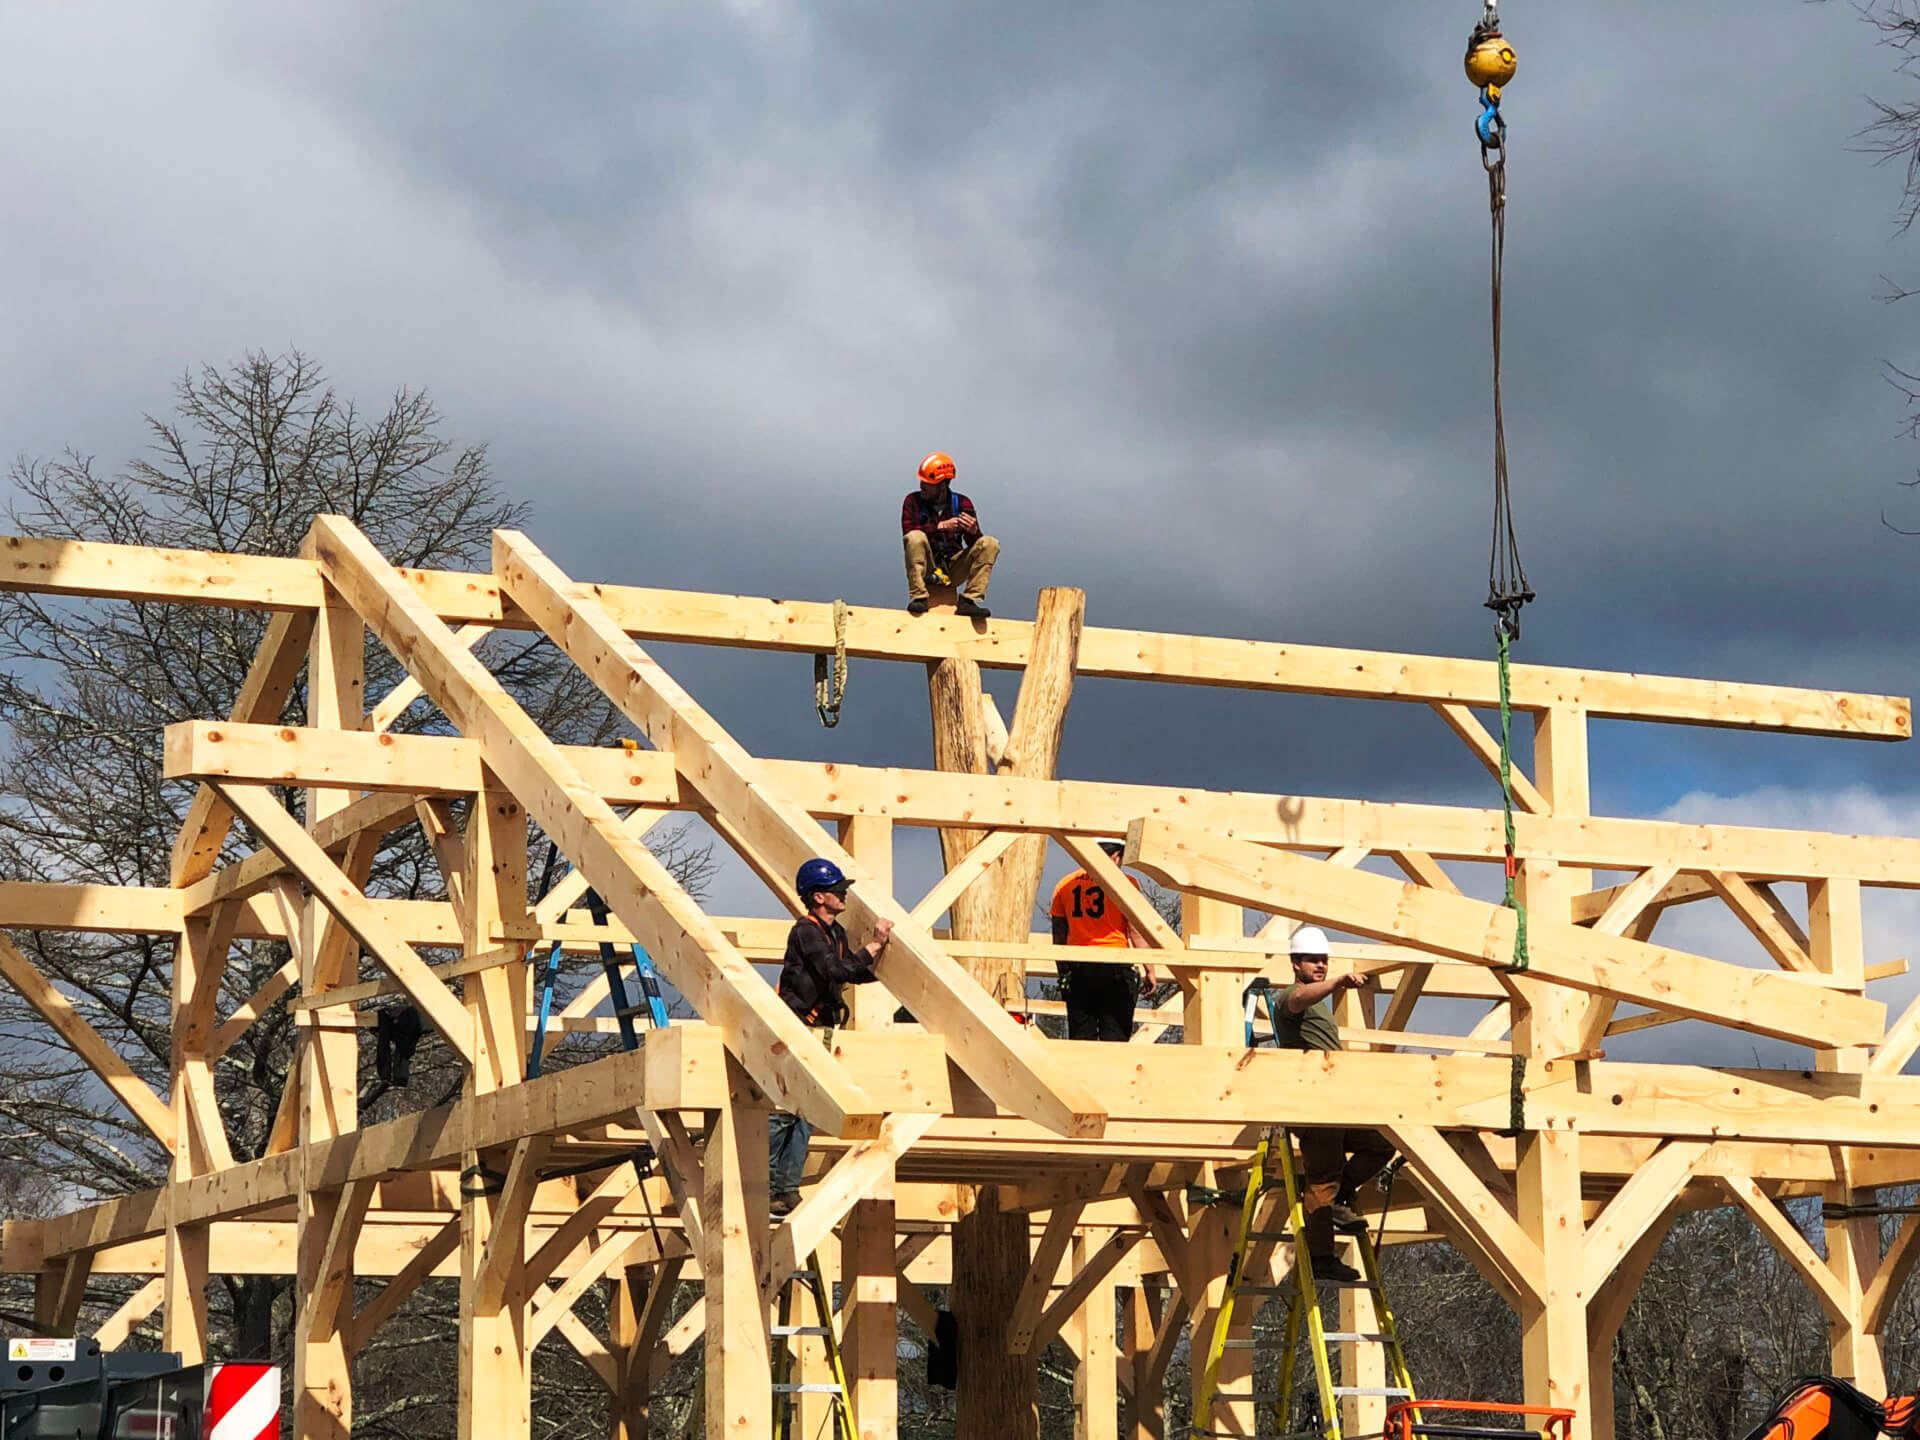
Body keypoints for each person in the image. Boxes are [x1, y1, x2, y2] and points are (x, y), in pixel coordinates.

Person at [768, 858, 892, 1217]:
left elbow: (847, 971)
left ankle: (786, 1191)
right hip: (798, 1025)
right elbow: (836, 970)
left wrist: (886, 971)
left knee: (805, 1112)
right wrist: (874, 946)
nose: (844, 895)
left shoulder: (835, 932)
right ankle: (768, 1185)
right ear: (819, 897)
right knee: (785, 1110)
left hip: (821, 1027)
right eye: (838, 891)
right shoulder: (805, 931)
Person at [1276, 925, 1394, 1283]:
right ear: (1295, 964)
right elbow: (1299, 1000)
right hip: (1312, 1104)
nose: (1320, 966)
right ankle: (1322, 1257)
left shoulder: (1320, 1006)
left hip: (1336, 1102)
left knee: (1382, 1143)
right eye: (1313, 961)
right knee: (1322, 1180)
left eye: (1324, 961)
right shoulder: (1288, 999)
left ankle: (1342, 1193)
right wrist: (1338, 982)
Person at [1049, 842, 1160, 1041]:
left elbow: (1058, 935)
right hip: (1115, 967)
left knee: (1082, 1039)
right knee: (1115, 1038)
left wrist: (1063, 972)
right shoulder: (1127, 884)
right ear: (1116, 856)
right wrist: (1149, 969)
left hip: (1079, 969)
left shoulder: (1064, 885)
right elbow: (1135, 929)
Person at [901, 451, 999, 619]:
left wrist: (973, 531)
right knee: (915, 537)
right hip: (928, 565)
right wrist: (940, 526)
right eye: (922, 480)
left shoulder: (962, 503)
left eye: (928, 483)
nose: (922, 485)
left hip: (953, 567)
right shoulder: (913, 501)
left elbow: (976, 546)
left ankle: (969, 601)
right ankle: (919, 597)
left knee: (990, 543)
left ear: (942, 485)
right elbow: (909, 532)